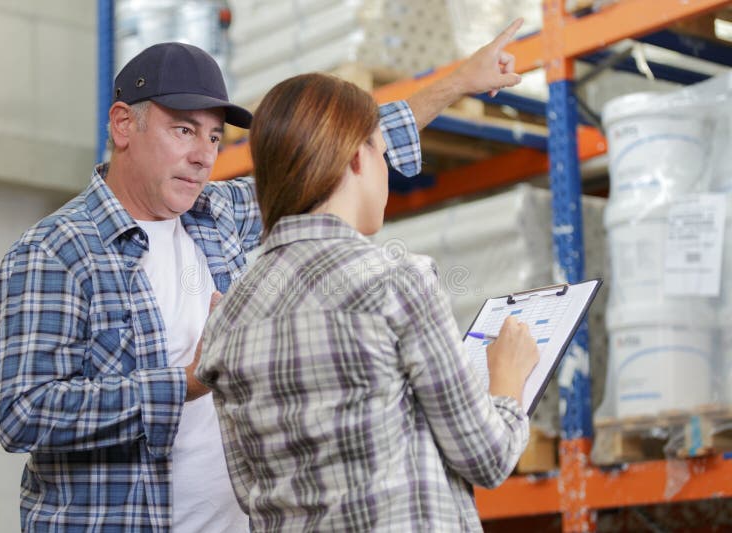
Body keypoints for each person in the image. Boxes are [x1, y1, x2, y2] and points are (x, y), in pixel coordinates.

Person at [0, 18, 526, 532]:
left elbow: (336, 151)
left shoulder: (214, 212)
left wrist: (460, 81)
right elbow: (24, 412)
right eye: (184, 130)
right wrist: (187, 383)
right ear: (124, 124)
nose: (203, 157)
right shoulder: (54, 253)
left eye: (214, 137)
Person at [195, 58, 539, 533]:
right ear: (357, 157)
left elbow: (251, 493)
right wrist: (508, 379)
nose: (386, 173)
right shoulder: (399, 282)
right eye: (381, 152)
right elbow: (487, 457)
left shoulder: (227, 318)